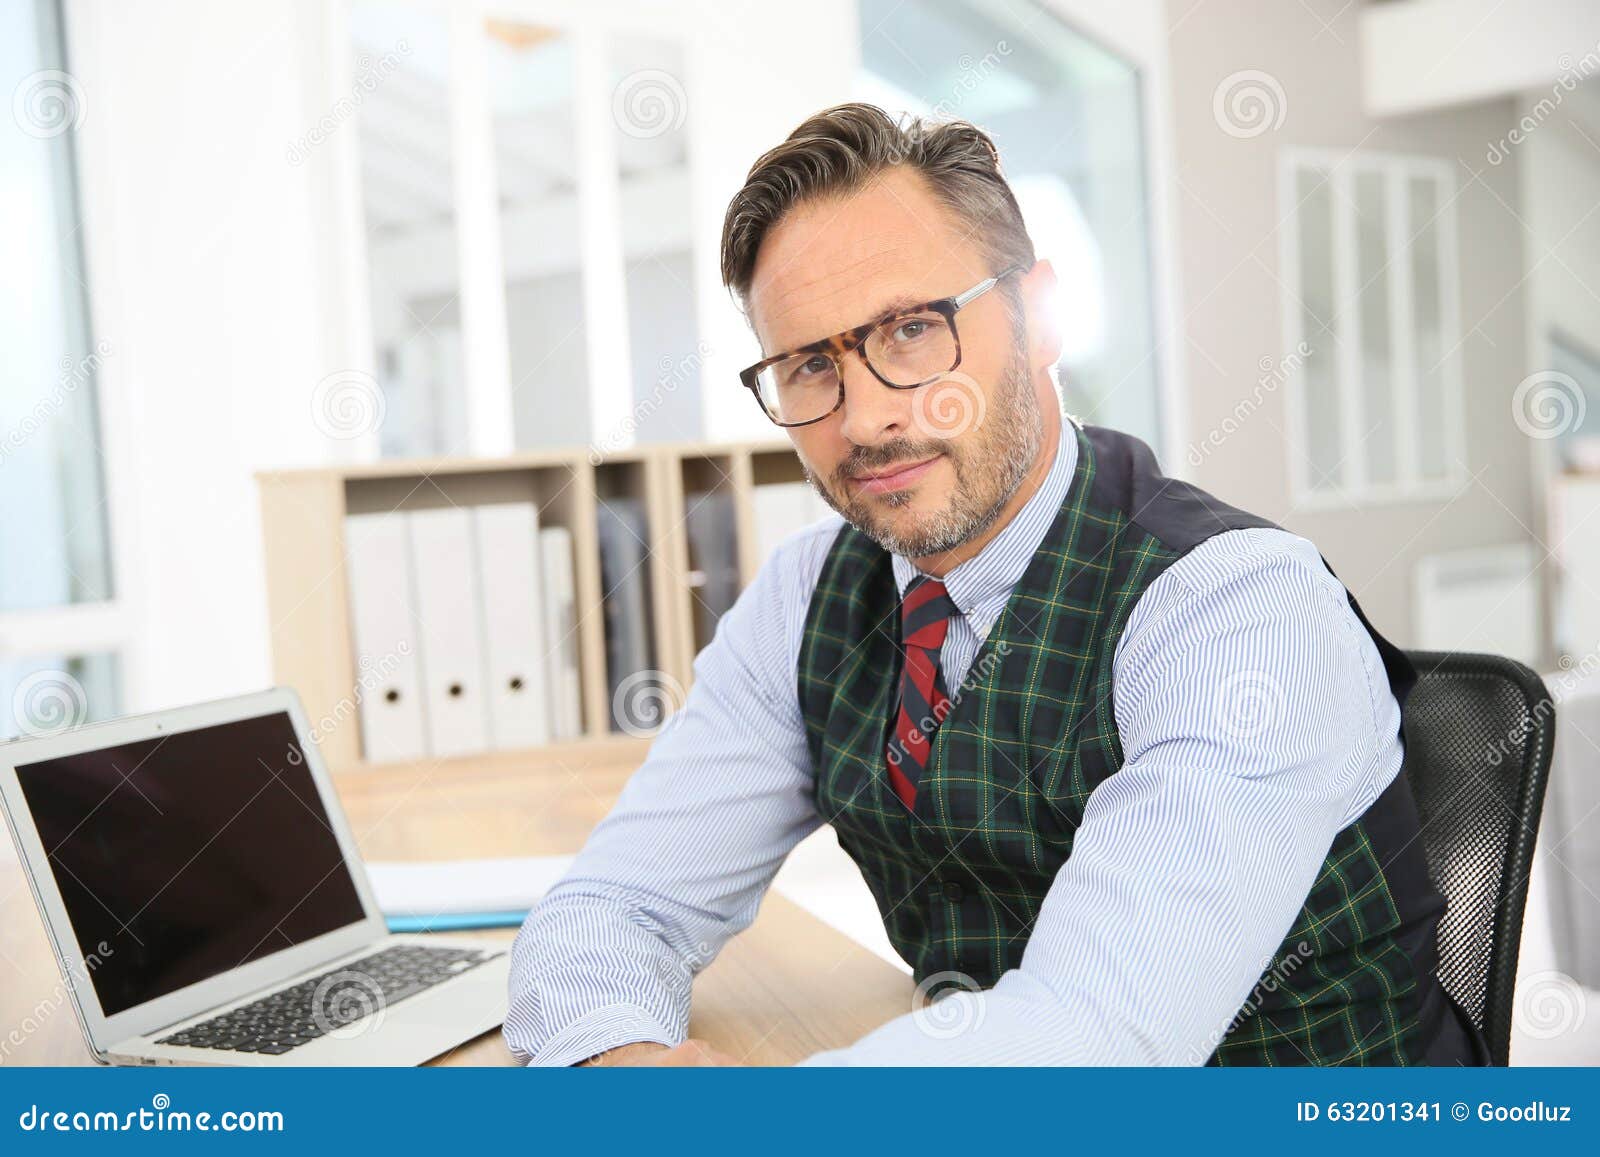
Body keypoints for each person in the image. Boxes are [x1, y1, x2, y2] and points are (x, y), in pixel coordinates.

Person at [504, 103, 1484, 1066]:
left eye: (910, 330)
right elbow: (617, 902)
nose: (869, 417)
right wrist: (617, 1060)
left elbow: (1096, 1035)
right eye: (810, 364)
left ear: (1036, 313)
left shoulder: (1232, 608)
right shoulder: (809, 595)